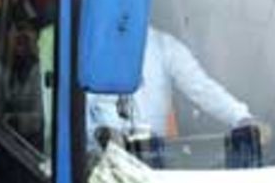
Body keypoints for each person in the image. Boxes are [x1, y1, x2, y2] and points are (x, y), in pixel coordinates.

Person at [86, 26, 253, 142]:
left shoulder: (163, 45)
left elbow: (202, 88)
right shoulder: (89, 49)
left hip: (153, 163)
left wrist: (241, 118)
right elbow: (74, 114)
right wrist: (99, 134)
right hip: (99, 168)